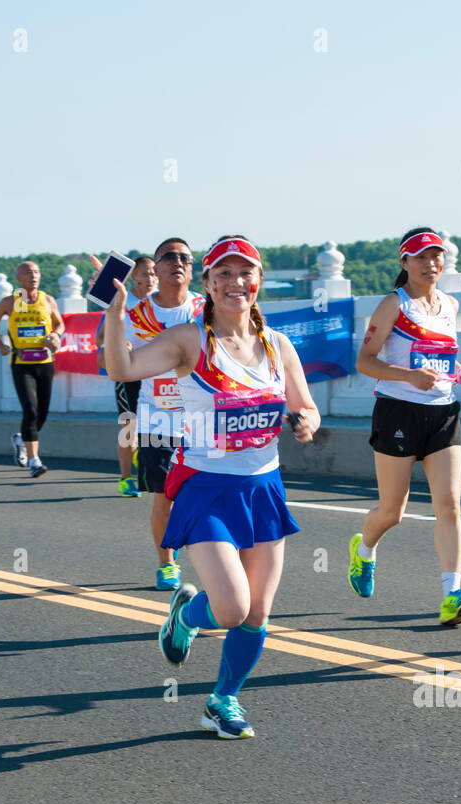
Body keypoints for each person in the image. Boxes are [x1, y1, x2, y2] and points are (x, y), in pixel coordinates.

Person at [104, 234, 321, 739]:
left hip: (263, 487)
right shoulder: (189, 340)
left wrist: (306, 421)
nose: (235, 283)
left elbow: (305, 404)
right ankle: (186, 614)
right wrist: (115, 317)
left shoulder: (276, 345)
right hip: (206, 487)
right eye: (223, 274)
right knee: (231, 607)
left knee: (258, 613)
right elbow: (123, 367)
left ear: (258, 282)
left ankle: (222, 700)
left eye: (245, 273)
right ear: (207, 284)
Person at [347, 228, 461, 626]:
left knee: (449, 505)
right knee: (393, 511)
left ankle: (451, 594)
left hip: (444, 413)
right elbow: (365, 361)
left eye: (436, 257)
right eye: (421, 257)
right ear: (404, 263)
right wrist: (408, 376)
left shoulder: (449, 304)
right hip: (398, 412)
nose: (431, 264)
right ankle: (364, 549)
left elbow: (446, 364)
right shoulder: (393, 305)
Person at [98, 240, 204, 590]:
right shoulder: (134, 315)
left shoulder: (207, 310)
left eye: (185, 258)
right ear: (154, 269)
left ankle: (213, 558)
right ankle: (167, 564)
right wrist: (117, 350)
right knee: (165, 496)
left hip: (204, 418)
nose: (178, 262)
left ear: (192, 269)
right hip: (158, 416)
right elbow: (104, 361)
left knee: (209, 492)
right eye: (169, 257)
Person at [0, 261, 65, 478]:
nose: (34, 275)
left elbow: (59, 323)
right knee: (30, 409)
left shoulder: (47, 300)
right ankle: (34, 460)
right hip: (21, 363)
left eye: (37, 272)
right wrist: (1, 345)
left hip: (44, 361)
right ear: (18, 277)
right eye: (28, 272)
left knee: (42, 413)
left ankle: (21, 439)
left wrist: (55, 336)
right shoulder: (9, 302)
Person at [111, 255, 156, 496]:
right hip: (128, 373)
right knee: (129, 426)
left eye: (153, 273)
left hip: (156, 373)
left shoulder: (161, 304)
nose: (151, 279)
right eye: (145, 274)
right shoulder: (122, 302)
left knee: (155, 425)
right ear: (134, 276)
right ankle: (126, 479)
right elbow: (101, 338)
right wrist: (120, 344)